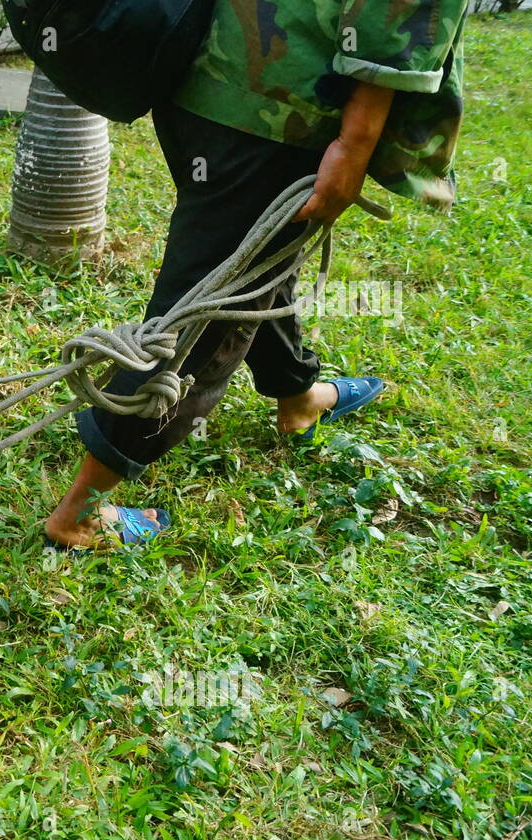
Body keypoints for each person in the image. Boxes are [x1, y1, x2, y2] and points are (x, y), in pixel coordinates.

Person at [45, 0, 468, 548]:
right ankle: (79, 513)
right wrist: (355, 141)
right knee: (209, 309)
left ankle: (298, 398)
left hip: (205, 77)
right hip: (286, 108)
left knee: (259, 259)